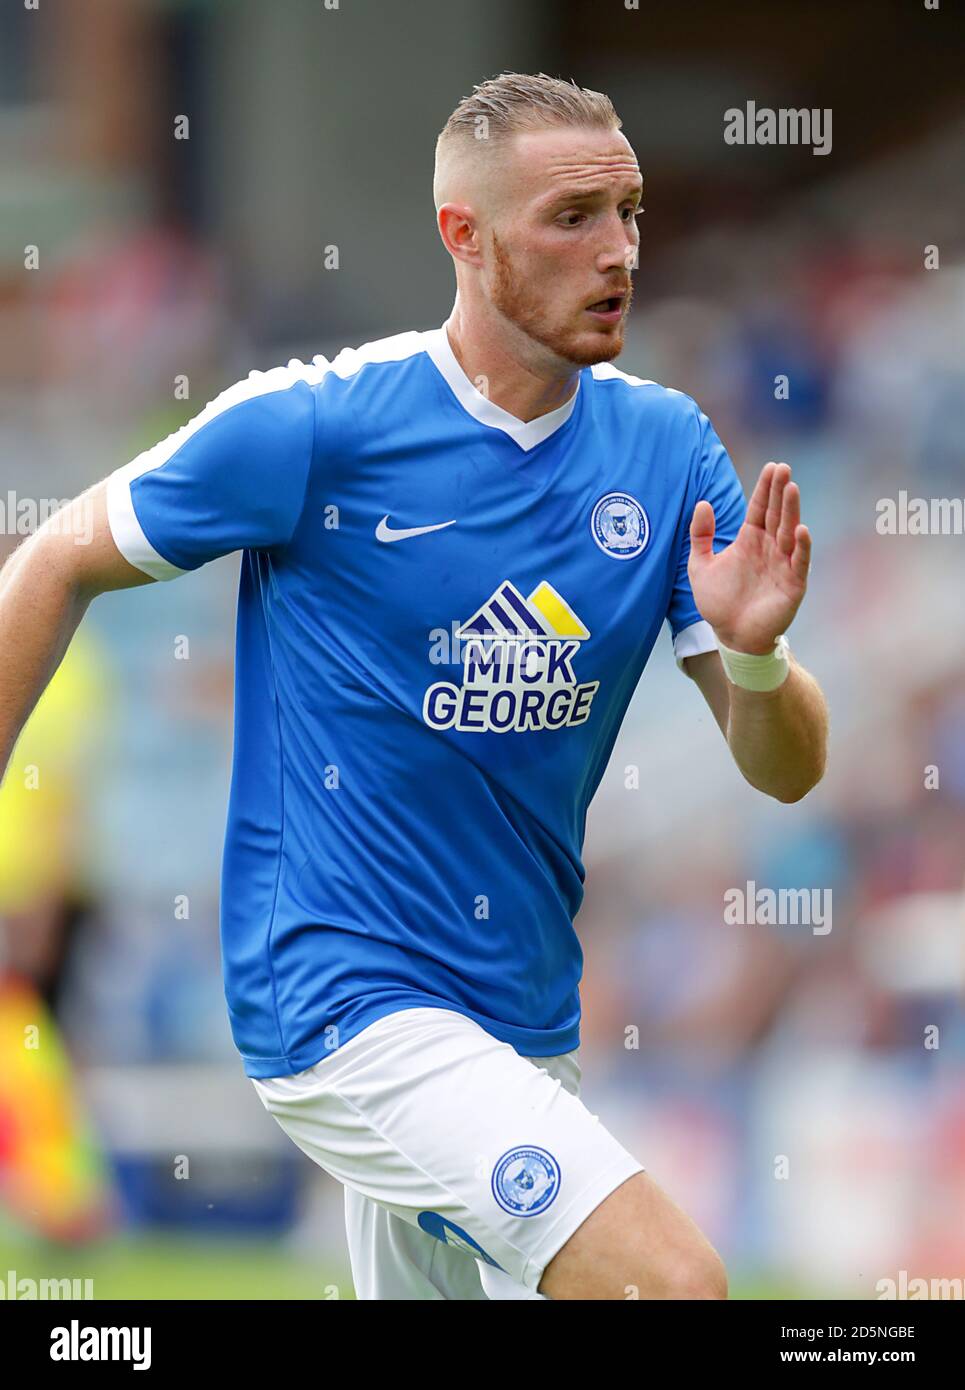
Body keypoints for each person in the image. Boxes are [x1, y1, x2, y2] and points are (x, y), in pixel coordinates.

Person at [0, 72, 828, 1300]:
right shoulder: (318, 426)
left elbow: (785, 767)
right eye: (572, 218)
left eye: (630, 212)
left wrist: (754, 655)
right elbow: (58, 554)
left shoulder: (664, 453)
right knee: (669, 1284)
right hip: (339, 998)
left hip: (522, 1023)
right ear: (464, 237)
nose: (618, 251)